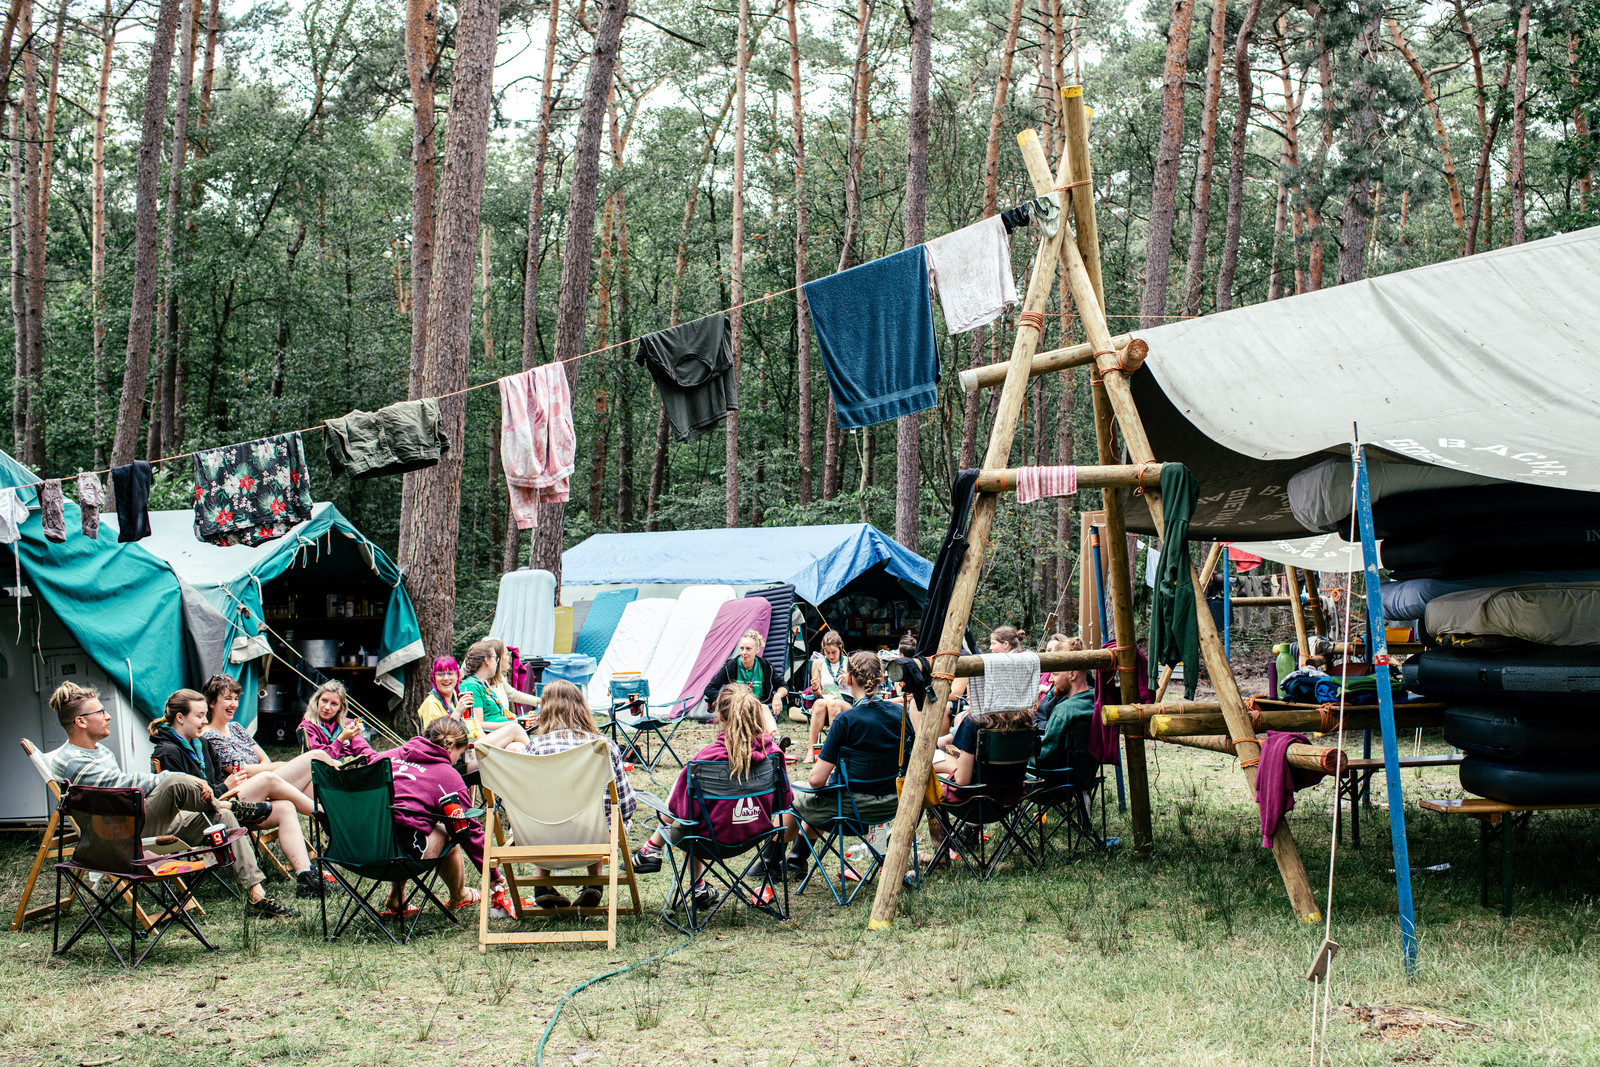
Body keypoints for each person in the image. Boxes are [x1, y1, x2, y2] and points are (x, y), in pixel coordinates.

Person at [46, 681, 299, 918]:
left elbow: (123, 789)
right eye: (100, 712)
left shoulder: (100, 751)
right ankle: (226, 801)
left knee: (222, 818)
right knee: (174, 782)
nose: (107, 716)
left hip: (135, 818)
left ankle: (257, 896)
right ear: (80, 721)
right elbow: (123, 786)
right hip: (117, 834)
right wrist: (176, 780)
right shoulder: (73, 762)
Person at [150, 688, 326, 899]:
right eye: (199, 716)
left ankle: (306, 877)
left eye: (205, 715)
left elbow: (213, 781)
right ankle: (324, 815)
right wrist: (226, 785)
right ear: (180, 718)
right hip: (204, 813)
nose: (204, 721)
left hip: (226, 802)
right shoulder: (167, 751)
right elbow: (187, 797)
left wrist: (225, 786)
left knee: (286, 808)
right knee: (269, 779)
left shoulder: (201, 743)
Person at [630, 684, 793, 907]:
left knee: (688, 824)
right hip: (755, 833)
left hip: (710, 841)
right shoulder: (773, 754)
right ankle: (656, 856)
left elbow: (672, 816)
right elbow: (784, 802)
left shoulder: (704, 759)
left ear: (721, 717)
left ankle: (692, 884)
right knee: (694, 821)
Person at [781, 652, 905, 877]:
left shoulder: (845, 720)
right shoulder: (900, 714)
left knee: (799, 796)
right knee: (827, 799)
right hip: (891, 806)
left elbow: (816, 780)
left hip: (850, 811)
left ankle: (771, 861)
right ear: (881, 679)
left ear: (848, 679)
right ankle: (794, 861)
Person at [515, 680, 637, 909]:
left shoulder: (534, 748)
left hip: (541, 841)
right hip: (596, 840)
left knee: (544, 813)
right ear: (582, 708)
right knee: (603, 814)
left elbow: (525, 805)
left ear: (545, 710)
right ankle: (595, 884)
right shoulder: (604, 746)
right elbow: (627, 805)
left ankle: (542, 884)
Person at [373, 716, 510, 917]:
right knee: (449, 829)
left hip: (360, 849)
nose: (457, 761)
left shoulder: (383, 757)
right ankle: (459, 895)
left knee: (395, 818)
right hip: (404, 855)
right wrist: (491, 873)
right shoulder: (446, 774)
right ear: (452, 746)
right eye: (460, 755)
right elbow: (468, 829)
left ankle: (397, 896)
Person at [199, 674, 337, 797]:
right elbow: (243, 771)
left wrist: (270, 768)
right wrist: (283, 766)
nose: (234, 704)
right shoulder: (210, 736)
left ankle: (335, 812)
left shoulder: (235, 727)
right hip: (248, 790)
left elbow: (264, 758)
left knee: (312, 786)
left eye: (236, 699)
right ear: (211, 702)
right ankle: (345, 788)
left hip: (266, 778)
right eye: (228, 699)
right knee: (317, 756)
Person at [702, 630, 787, 734]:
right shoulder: (730, 666)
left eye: (748, 649)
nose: (744, 653)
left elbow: (783, 685)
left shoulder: (765, 666)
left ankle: (775, 737)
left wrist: (777, 696)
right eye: (741, 648)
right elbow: (709, 689)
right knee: (723, 711)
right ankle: (725, 742)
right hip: (735, 706)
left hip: (756, 707)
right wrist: (729, 699)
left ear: (757, 650)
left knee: (764, 707)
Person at [1034, 642, 1095, 771]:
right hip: (1085, 776)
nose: (1050, 679)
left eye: (1055, 674)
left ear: (1072, 675)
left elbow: (1044, 756)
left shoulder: (1064, 710)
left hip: (1059, 778)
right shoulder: (1095, 702)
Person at [299, 680, 374, 761]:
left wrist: (374, 758)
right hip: (328, 770)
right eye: (324, 701)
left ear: (340, 707)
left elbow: (362, 749)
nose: (327, 707)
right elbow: (321, 760)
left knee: (388, 756)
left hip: (353, 768)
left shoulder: (346, 724)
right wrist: (341, 739)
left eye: (334, 704)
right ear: (317, 701)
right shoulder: (308, 726)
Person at [804, 632, 849, 760]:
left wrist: (849, 679)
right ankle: (811, 750)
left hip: (845, 700)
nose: (830, 656)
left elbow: (857, 688)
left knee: (833, 704)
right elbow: (817, 695)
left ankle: (832, 749)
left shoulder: (849, 662)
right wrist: (815, 688)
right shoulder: (818, 664)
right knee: (819, 703)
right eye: (827, 652)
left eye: (833, 652)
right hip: (826, 698)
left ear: (840, 648)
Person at [458, 641, 509, 728]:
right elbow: (478, 724)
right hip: (490, 736)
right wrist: (512, 724)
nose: (497, 663)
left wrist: (519, 720)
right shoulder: (471, 686)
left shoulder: (482, 684)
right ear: (486, 660)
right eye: (495, 658)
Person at [486, 638, 538, 720]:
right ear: (498, 659)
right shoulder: (483, 684)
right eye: (506, 654)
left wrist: (539, 701)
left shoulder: (500, 679)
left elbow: (514, 695)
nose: (509, 658)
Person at [417, 657, 469, 730]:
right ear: (434, 678)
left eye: (450, 673)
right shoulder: (431, 704)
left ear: (457, 676)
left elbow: (476, 729)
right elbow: (437, 737)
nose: (446, 678)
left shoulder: (457, 697)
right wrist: (457, 712)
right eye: (440, 674)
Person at [1037, 632, 1072, 696]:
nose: (1051, 654)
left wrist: (1048, 690)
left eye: (1056, 651)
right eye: (1049, 650)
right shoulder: (1042, 673)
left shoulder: (1067, 674)